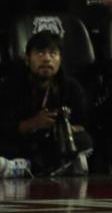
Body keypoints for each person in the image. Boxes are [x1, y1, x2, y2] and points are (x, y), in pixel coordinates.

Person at [0, 31, 93, 177]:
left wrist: (65, 129)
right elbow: (4, 126)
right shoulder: (10, 86)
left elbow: (84, 123)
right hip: (22, 141)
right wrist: (32, 123)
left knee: (83, 140)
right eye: (40, 53)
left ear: (60, 59)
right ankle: (53, 166)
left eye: (52, 54)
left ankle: (27, 167)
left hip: (53, 142)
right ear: (27, 59)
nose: (46, 59)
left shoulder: (71, 87)